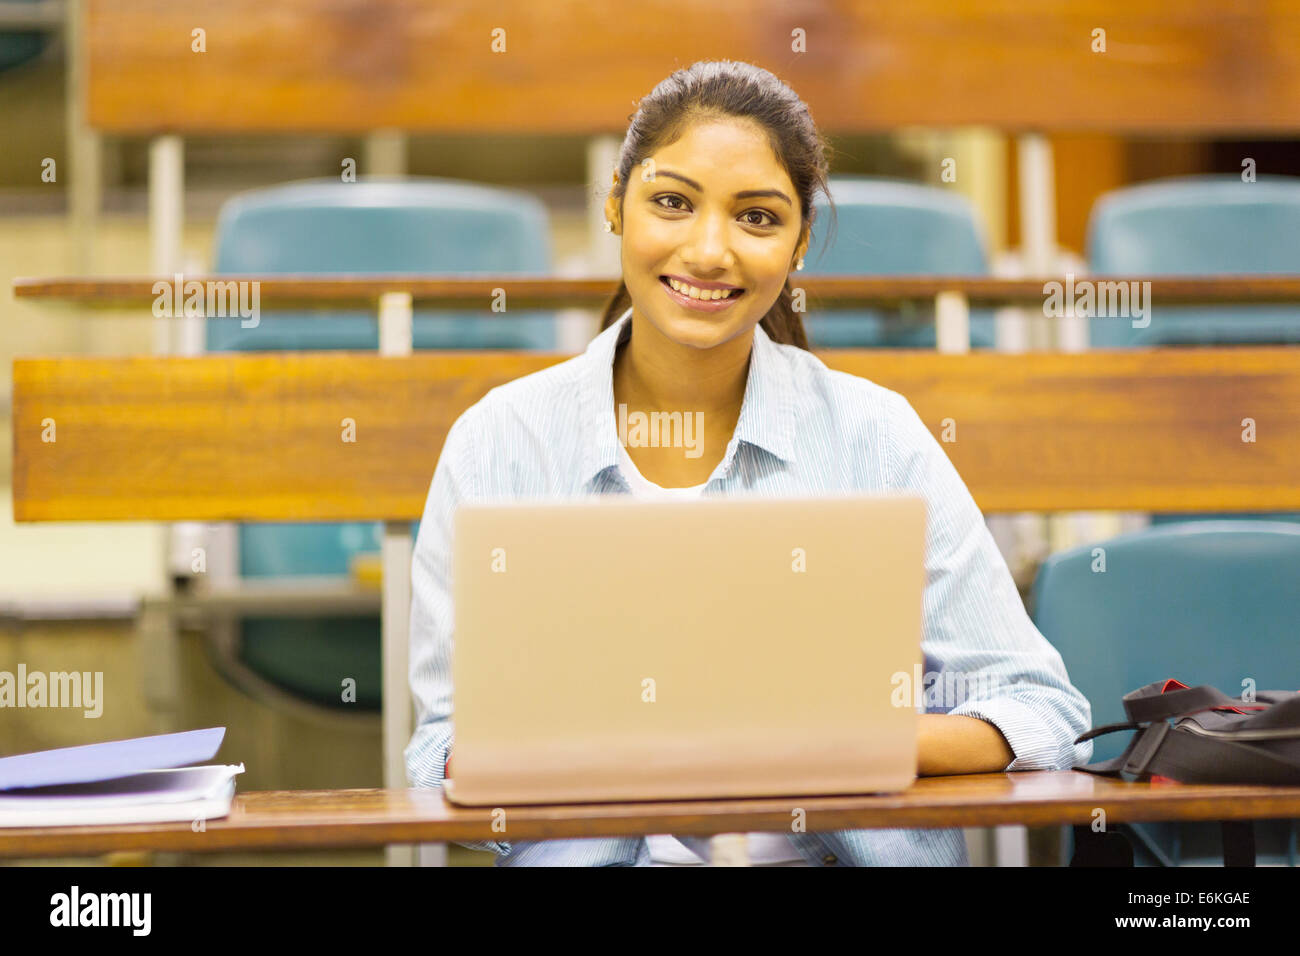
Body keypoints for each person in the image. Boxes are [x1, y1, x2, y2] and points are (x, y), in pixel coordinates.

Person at [405, 59, 1092, 866]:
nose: (709, 249)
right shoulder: (500, 441)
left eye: (757, 218)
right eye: (672, 202)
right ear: (614, 205)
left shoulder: (876, 436)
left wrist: (851, 745)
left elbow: (1044, 713)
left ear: (800, 243)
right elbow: (439, 756)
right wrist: (603, 756)